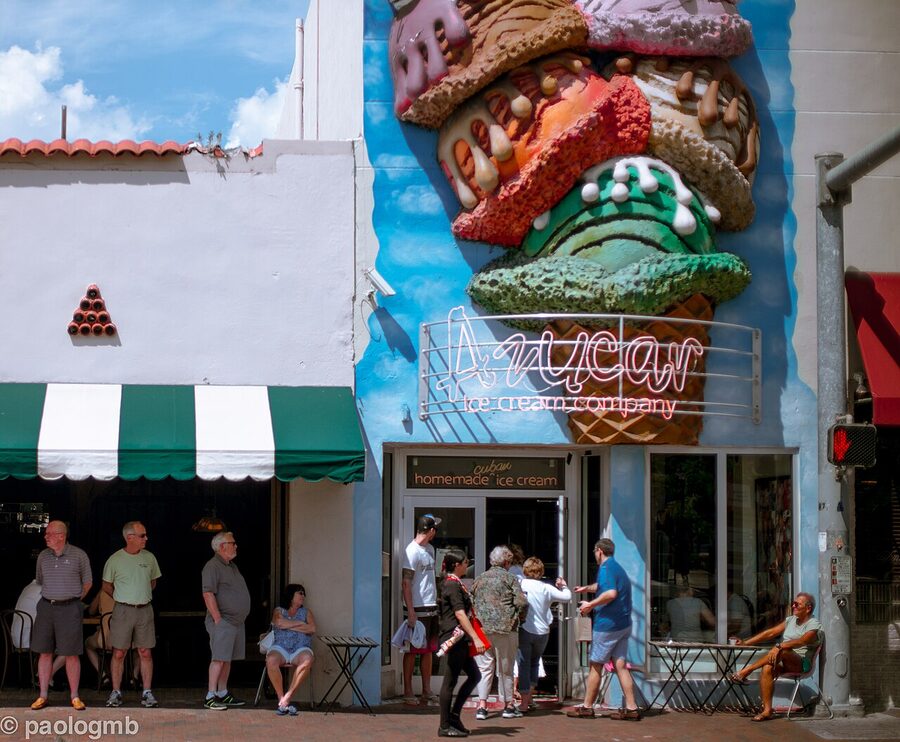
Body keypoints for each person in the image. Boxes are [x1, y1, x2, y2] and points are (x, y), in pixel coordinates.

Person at [567, 538, 641, 721]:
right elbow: (603, 587)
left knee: (596, 665)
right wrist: (586, 588)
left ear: (599, 550)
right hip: (623, 625)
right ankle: (632, 709)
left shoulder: (606, 568)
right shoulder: (617, 568)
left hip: (608, 625)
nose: (594, 555)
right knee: (621, 666)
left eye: (594, 551)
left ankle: (586, 707)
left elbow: (610, 593)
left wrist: (590, 605)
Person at [728, 591, 823, 722]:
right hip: (785, 660)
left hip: (803, 664)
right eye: (793, 604)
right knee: (767, 668)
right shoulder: (791, 620)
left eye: (797, 604)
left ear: (808, 608)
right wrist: (745, 642)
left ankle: (746, 671)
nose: (793, 606)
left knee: (782, 650)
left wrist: (779, 647)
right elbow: (770, 633)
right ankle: (767, 711)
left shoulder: (814, 624)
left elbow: (803, 641)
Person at [29, 520, 92, 711]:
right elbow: (40, 580)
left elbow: (88, 583)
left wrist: (72, 600)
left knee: (71, 653)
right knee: (44, 651)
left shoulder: (79, 555)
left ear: (61, 536)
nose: (45, 536)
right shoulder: (43, 556)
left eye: (49, 533)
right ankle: (43, 696)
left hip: (70, 607)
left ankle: (74, 696)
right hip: (47, 606)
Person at [102, 520, 162, 709]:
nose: (146, 538)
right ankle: (116, 691)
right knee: (119, 652)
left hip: (145, 609)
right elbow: (106, 586)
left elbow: (153, 582)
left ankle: (147, 692)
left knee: (145, 651)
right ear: (130, 537)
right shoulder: (115, 559)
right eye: (142, 535)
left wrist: (139, 595)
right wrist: (123, 598)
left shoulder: (150, 558)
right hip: (123, 610)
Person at [471, 545, 528, 721]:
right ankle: (508, 705)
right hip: (506, 628)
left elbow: (471, 600)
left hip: (482, 630)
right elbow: (522, 603)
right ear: (506, 562)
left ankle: (482, 706)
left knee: (484, 668)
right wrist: (520, 618)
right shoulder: (510, 579)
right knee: (506, 669)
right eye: (509, 562)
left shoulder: (480, 579)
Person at [437, 548, 484, 738]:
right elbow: (459, 613)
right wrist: (476, 637)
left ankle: (454, 717)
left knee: (474, 675)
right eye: (465, 562)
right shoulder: (452, 585)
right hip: (454, 637)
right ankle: (445, 725)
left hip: (459, 637)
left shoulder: (455, 583)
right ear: (456, 565)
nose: (467, 565)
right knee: (450, 681)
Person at [201, 531, 251, 710]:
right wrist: (218, 620)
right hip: (223, 621)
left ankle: (222, 692)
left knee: (227, 659)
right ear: (222, 546)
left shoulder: (231, 566)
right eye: (233, 542)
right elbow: (208, 593)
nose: (236, 545)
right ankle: (210, 695)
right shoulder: (212, 566)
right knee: (219, 658)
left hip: (236, 623)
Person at [517, 557, 571, 712]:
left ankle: (524, 703)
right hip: (543, 632)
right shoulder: (546, 588)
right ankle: (530, 697)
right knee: (534, 663)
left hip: (525, 629)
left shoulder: (520, 584)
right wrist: (564, 586)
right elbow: (567, 598)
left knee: (524, 665)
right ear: (541, 571)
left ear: (525, 570)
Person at [401, 513, 441, 705]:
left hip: (431, 604)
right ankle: (408, 690)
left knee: (428, 649)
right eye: (435, 529)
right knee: (412, 649)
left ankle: (426, 689)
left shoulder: (430, 549)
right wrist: (410, 610)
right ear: (431, 530)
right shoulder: (411, 551)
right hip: (417, 605)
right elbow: (406, 582)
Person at [265, 583, 316, 716]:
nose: (303, 596)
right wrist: (301, 624)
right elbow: (279, 623)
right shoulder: (279, 611)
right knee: (271, 660)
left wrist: (288, 625)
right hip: (280, 647)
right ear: (291, 595)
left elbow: (312, 629)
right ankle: (281, 698)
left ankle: (287, 696)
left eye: (304, 593)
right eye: (300, 593)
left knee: (308, 659)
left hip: (300, 648)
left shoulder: (306, 612)